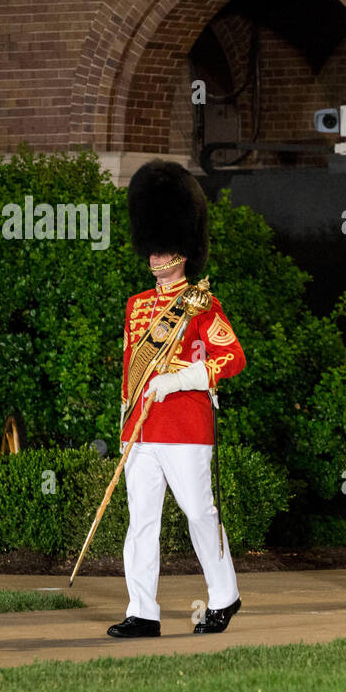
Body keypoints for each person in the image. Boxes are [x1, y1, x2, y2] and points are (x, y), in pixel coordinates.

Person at [108, 160, 245, 638]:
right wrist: (124, 423)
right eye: (151, 246)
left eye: (162, 248)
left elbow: (233, 358)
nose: (154, 256)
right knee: (140, 523)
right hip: (142, 430)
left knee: (199, 514)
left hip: (186, 426)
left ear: (182, 252)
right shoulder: (136, 305)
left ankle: (225, 596)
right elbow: (130, 370)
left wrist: (186, 377)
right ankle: (143, 611)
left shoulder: (201, 304)